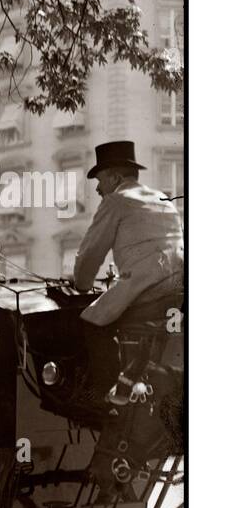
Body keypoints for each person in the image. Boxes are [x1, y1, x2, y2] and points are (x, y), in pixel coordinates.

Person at [72, 141, 184, 404]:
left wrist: (82, 284)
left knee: (91, 322)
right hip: (178, 291)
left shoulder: (116, 201)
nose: (98, 189)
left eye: (100, 181)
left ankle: (110, 398)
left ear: (115, 177)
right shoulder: (164, 200)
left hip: (147, 293)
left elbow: (91, 254)